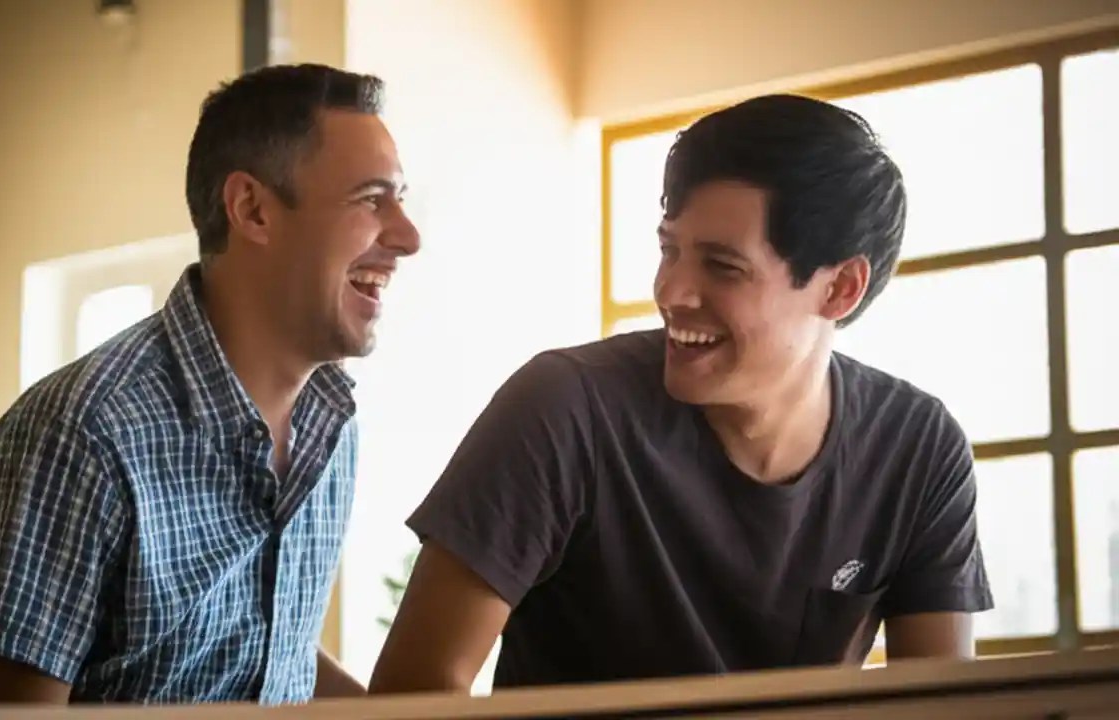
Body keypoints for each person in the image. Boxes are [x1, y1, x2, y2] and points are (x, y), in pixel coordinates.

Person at [369, 94, 992, 695]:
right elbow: (415, 693)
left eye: (722, 266)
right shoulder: (566, 408)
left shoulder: (919, 452)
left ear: (839, 290)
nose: (671, 292)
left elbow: (940, 707)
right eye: (669, 250)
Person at [0, 63, 420, 704]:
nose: (407, 236)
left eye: (400, 199)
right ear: (252, 209)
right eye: (370, 199)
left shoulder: (331, 428)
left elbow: (266, 649)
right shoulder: (80, 434)